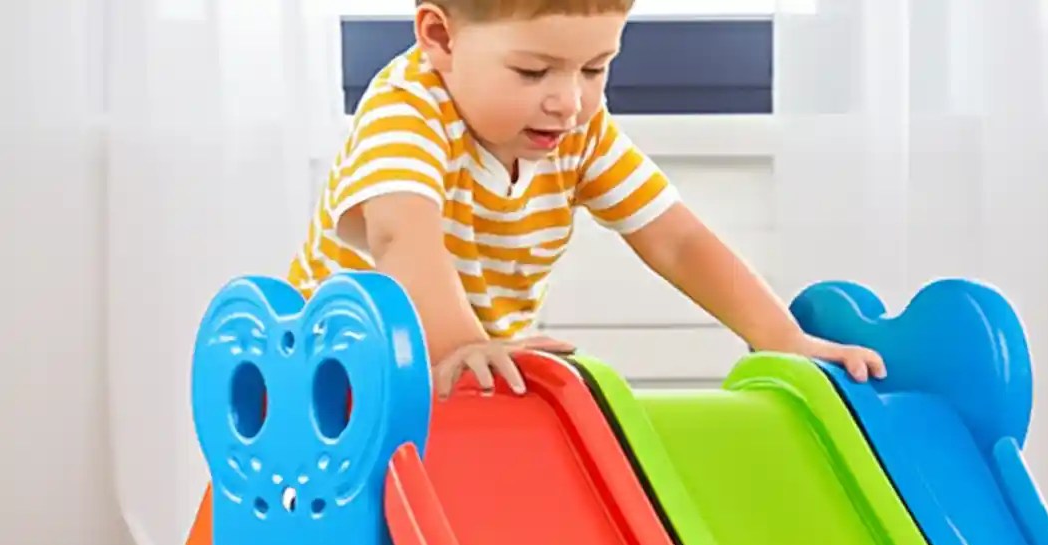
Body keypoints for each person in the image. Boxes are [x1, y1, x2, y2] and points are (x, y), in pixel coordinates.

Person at [287, 0, 886, 398]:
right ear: (440, 37)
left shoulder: (577, 131)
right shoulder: (407, 109)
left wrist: (781, 338)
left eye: (595, 69)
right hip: (331, 375)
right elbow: (401, 233)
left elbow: (675, 240)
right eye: (532, 72)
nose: (568, 101)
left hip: (461, 377)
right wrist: (463, 344)